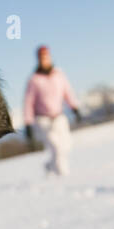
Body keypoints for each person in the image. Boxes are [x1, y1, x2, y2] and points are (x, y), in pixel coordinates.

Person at [23, 45, 81, 177]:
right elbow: (28, 102)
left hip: (59, 117)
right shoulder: (34, 79)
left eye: (46, 56)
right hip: (43, 119)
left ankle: (49, 166)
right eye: (42, 57)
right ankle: (64, 177)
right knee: (56, 148)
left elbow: (67, 91)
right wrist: (28, 123)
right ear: (38, 59)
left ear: (49, 57)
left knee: (66, 146)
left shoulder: (59, 74)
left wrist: (75, 108)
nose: (45, 59)